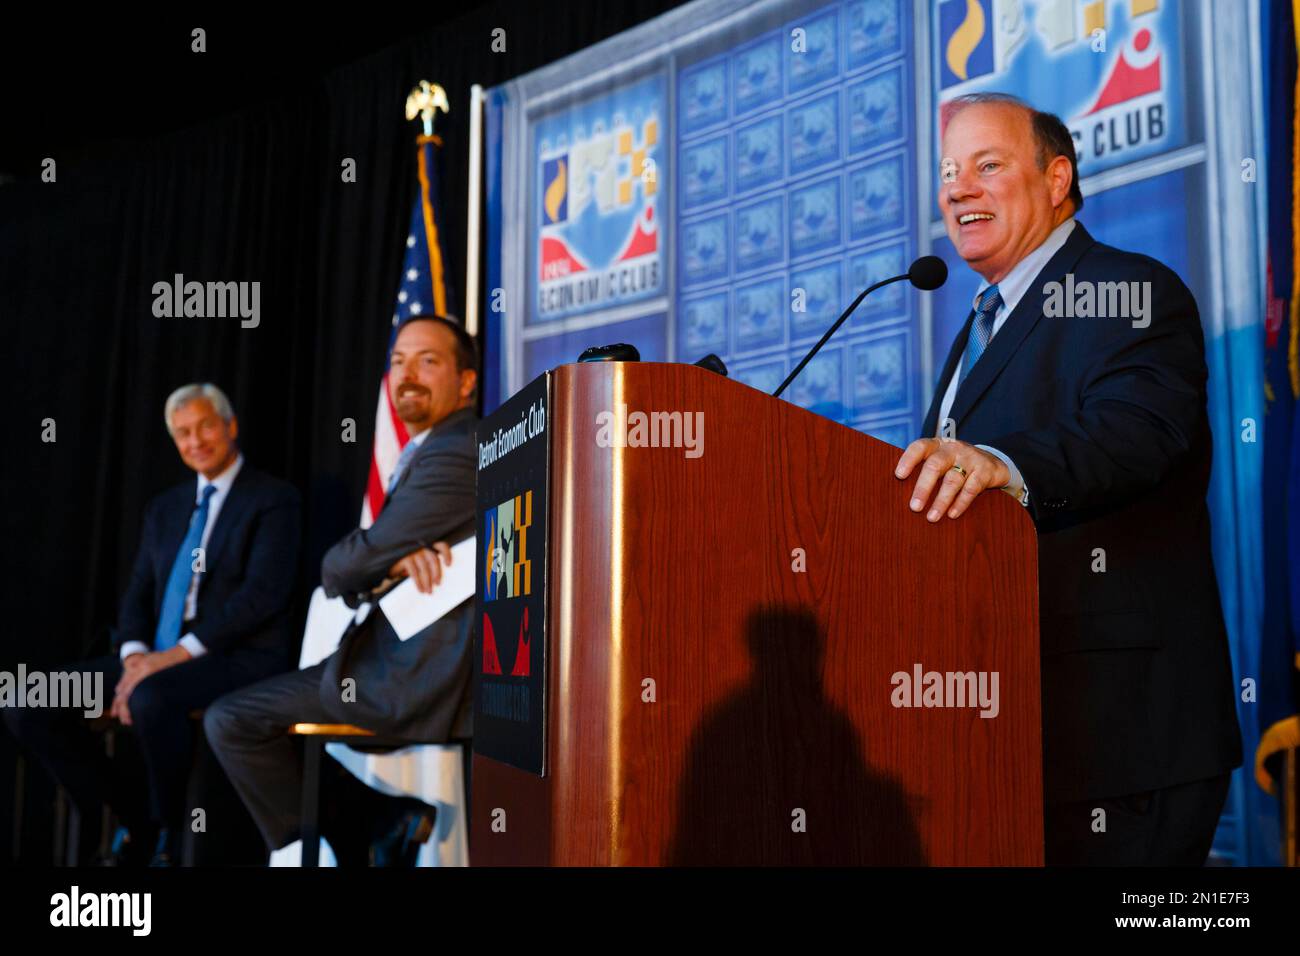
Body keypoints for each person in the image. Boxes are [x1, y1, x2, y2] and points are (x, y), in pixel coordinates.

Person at [893, 93, 1242, 865]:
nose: (958, 189)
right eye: (951, 171)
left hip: (1119, 738)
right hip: (1006, 734)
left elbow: (1134, 434)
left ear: (1057, 180)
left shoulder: (1126, 291)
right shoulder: (981, 324)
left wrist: (1005, 466)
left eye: (988, 166)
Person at [204, 315, 478, 866]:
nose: (407, 374)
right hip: (392, 655)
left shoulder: (458, 449)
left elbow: (340, 567)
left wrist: (372, 558)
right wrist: (389, 560)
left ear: (466, 381)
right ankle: (382, 821)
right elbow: (368, 564)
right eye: (398, 361)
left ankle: (325, 845)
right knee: (235, 717)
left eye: (428, 361)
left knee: (231, 721)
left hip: (415, 672)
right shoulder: (432, 448)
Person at [3, 383, 301, 865]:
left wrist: (169, 659)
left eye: (205, 426)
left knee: (151, 698)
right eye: (183, 433)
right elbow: (139, 592)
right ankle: (132, 816)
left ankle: (168, 833)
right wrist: (136, 656)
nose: (196, 441)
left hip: (234, 657)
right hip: (152, 657)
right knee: (27, 698)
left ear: (230, 426)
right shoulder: (165, 507)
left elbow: (262, 597)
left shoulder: (273, 499)